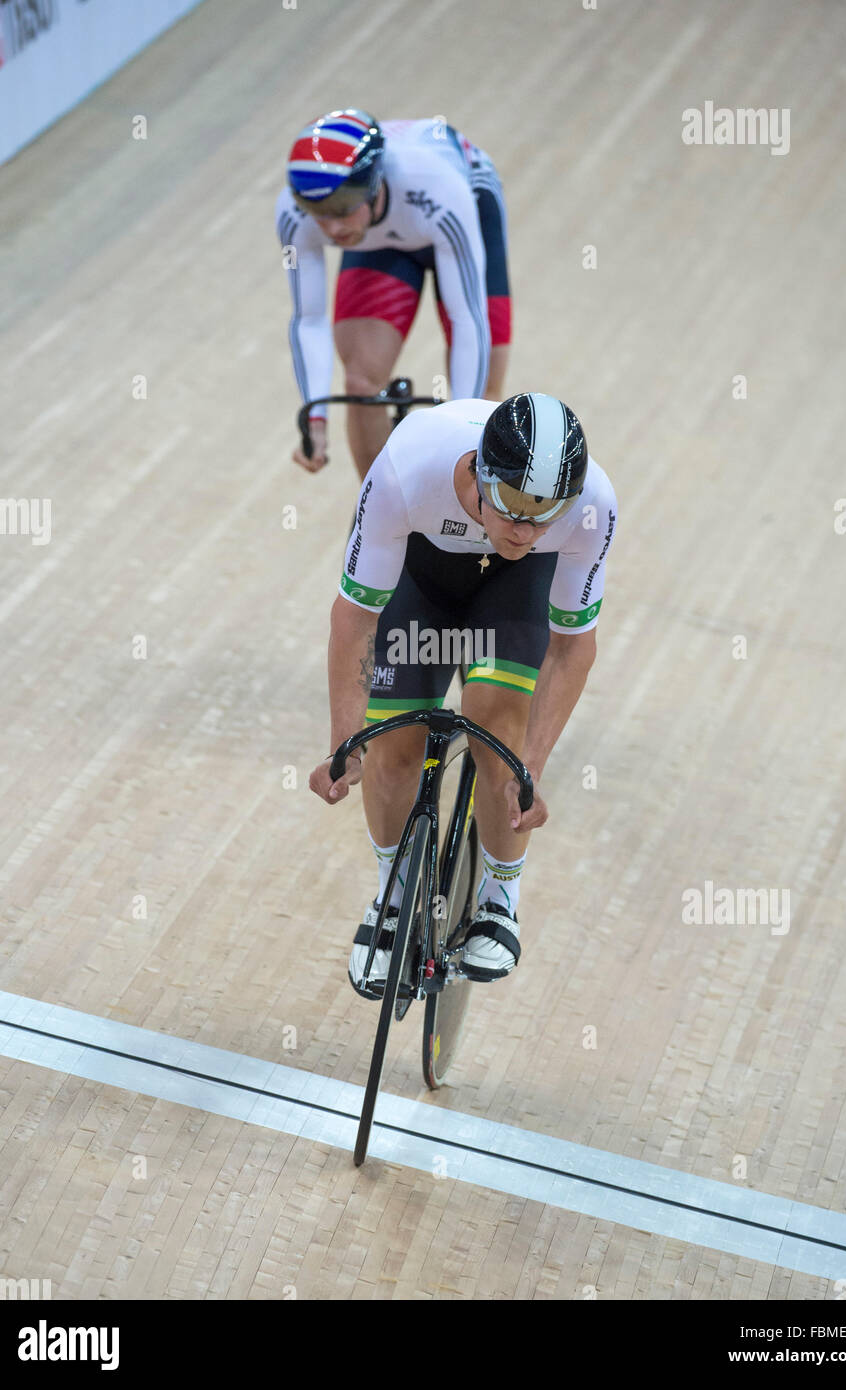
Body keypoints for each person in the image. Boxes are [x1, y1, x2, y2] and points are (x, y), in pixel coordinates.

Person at [308, 392, 617, 996]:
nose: (525, 528)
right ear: (478, 471)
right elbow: (354, 619)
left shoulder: (592, 505)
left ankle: (500, 896)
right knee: (392, 747)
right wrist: (345, 739)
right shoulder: (408, 468)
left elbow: (573, 646)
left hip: (513, 593)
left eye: (544, 514)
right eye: (510, 508)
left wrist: (532, 766)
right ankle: (392, 902)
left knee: (499, 735)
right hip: (420, 578)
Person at [276, 109, 511, 480]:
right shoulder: (297, 211)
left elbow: (468, 319)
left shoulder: (437, 187)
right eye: (319, 213)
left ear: (373, 185)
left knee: (483, 399)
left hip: (455, 209)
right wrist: (315, 420)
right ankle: (382, 505)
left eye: (342, 210)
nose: (333, 227)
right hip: (380, 234)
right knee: (360, 383)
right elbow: (309, 318)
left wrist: (467, 434)